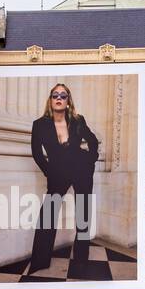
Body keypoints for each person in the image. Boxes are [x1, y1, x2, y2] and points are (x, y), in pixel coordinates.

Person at [27, 83, 99, 273]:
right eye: (55, 95)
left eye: (63, 95)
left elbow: (92, 140)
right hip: (58, 172)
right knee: (48, 215)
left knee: (84, 213)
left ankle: (82, 259)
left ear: (68, 101)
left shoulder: (78, 120)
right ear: (50, 100)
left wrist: (91, 160)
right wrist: (49, 171)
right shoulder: (39, 124)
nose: (59, 98)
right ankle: (40, 261)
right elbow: (36, 153)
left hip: (81, 169)